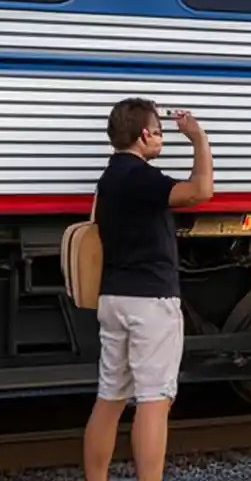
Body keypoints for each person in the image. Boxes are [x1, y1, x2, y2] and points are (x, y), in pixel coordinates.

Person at [82, 97, 214, 481]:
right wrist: (199, 138)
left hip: (114, 297)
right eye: (159, 132)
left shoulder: (108, 178)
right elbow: (200, 191)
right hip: (150, 302)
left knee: (109, 398)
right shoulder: (141, 177)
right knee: (154, 402)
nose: (161, 139)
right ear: (143, 135)